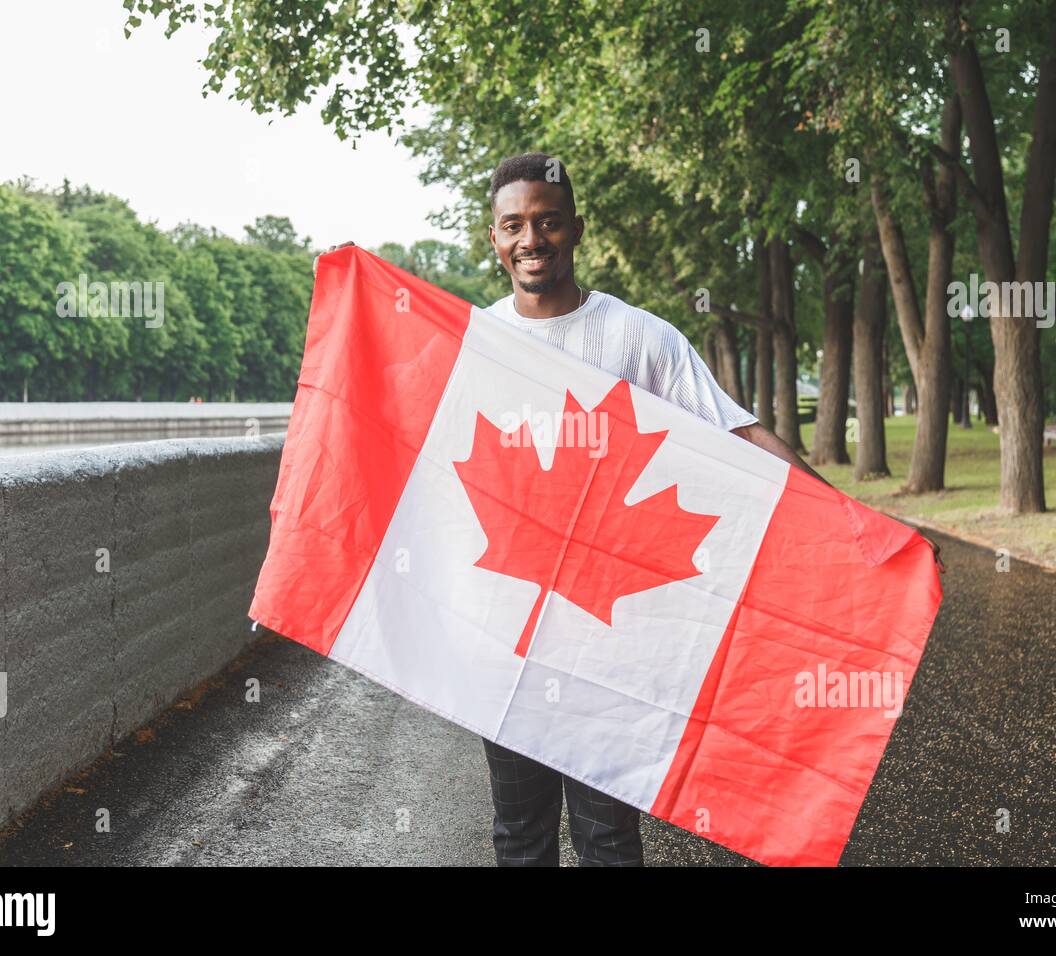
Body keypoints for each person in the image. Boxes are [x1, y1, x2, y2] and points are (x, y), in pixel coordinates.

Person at [315, 151, 944, 867]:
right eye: (514, 225)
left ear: (576, 229)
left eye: (548, 222)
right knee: (518, 835)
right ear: (493, 238)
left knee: (609, 838)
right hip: (508, 633)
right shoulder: (474, 346)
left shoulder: (638, 338)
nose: (532, 240)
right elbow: (383, 411)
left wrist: (850, 521)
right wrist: (347, 303)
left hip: (609, 643)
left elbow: (736, 431)